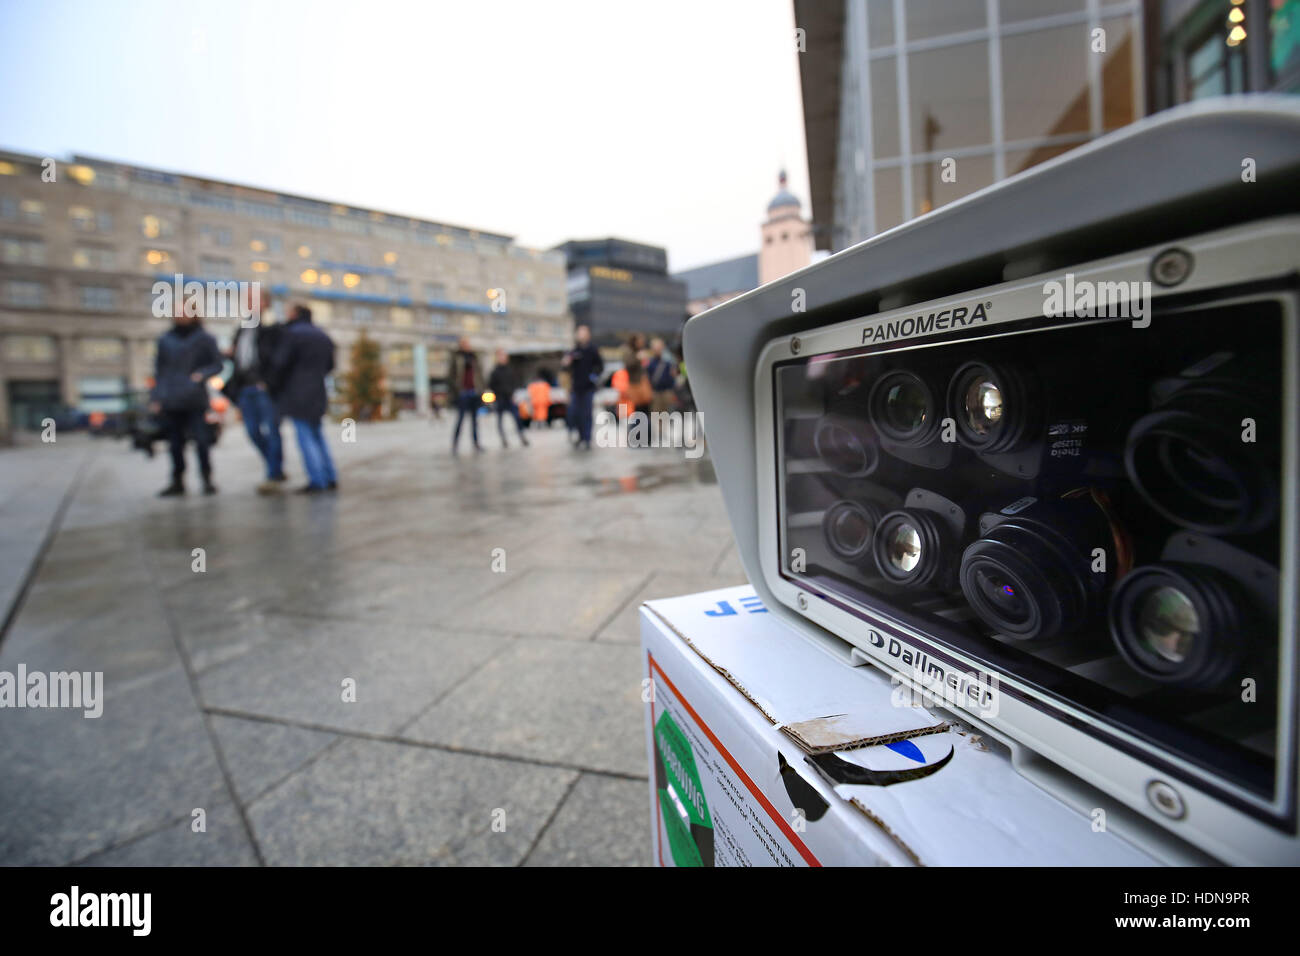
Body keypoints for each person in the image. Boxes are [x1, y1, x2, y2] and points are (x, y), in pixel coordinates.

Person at [151, 302, 224, 496]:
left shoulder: (205, 338)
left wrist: (201, 375)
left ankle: (207, 479)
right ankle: (177, 481)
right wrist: (156, 397)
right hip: (171, 398)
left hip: (195, 399)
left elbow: (217, 364)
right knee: (175, 444)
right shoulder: (165, 339)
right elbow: (160, 370)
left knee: (202, 441)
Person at [268, 303, 338, 494]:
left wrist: (273, 384)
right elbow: (330, 365)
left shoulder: (292, 334)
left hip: (297, 391)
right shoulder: (323, 335)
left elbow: (280, 363)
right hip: (318, 389)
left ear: (296, 314)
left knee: (305, 435)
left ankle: (317, 480)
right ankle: (330, 476)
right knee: (317, 434)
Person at [224, 289, 287, 494]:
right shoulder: (243, 328)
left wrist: (268, 381)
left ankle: (273, 474)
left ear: (266, 303)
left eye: (254, 300)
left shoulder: (273, 327)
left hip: (264, 388)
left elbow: (279, 359)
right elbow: (240, 357)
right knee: (252, 431)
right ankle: (274, 465)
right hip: (244, 387)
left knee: (272, 430)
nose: (250, 303)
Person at [563, 324, 603, 450]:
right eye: (579, 333)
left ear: (588, 335)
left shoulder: (593, 350)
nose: (580, 335)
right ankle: (580, 436)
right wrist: (566, 363)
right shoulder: (574, 350)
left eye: (583, 333)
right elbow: (565, 368)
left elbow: (600, 366)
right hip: (576, 387)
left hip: (588, 388)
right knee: (575, 413)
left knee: (586, 413)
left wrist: (593, 376)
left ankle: (587, 439)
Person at [448, 338, 483, 454]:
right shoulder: (456, 357)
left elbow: (480, 375)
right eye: (464, 343)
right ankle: (455, 444)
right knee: (460, 420)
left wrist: (481, 390)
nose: (467, 345)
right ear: (460, 345)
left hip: (474, 392)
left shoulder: (474, 357)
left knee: (475, 421)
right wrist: (456, 390)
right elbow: (451, 376)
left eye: (468, 343)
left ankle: (476, 444)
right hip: (462, 393)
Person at [488, 349, 528, 448]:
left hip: (510, 397)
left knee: (517, 417)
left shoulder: (510, 370)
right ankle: (503, 439)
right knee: (500, 420)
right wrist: (497, 394)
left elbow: (514, 382)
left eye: (504, 356)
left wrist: (513, 393)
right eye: (500, 356)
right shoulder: (495, 371)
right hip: (500, 398)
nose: (502, 358)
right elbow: (491, 385)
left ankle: (522, 436)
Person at [646, 337, 677, 415]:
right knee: (656, 416)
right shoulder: (650, 362)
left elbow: (673, 376)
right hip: (655, 393)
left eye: (659, 347)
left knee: (667, 415)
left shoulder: (669, 361)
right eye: (655, 347)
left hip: (667, 392)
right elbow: (647, 378)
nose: (657, 349)